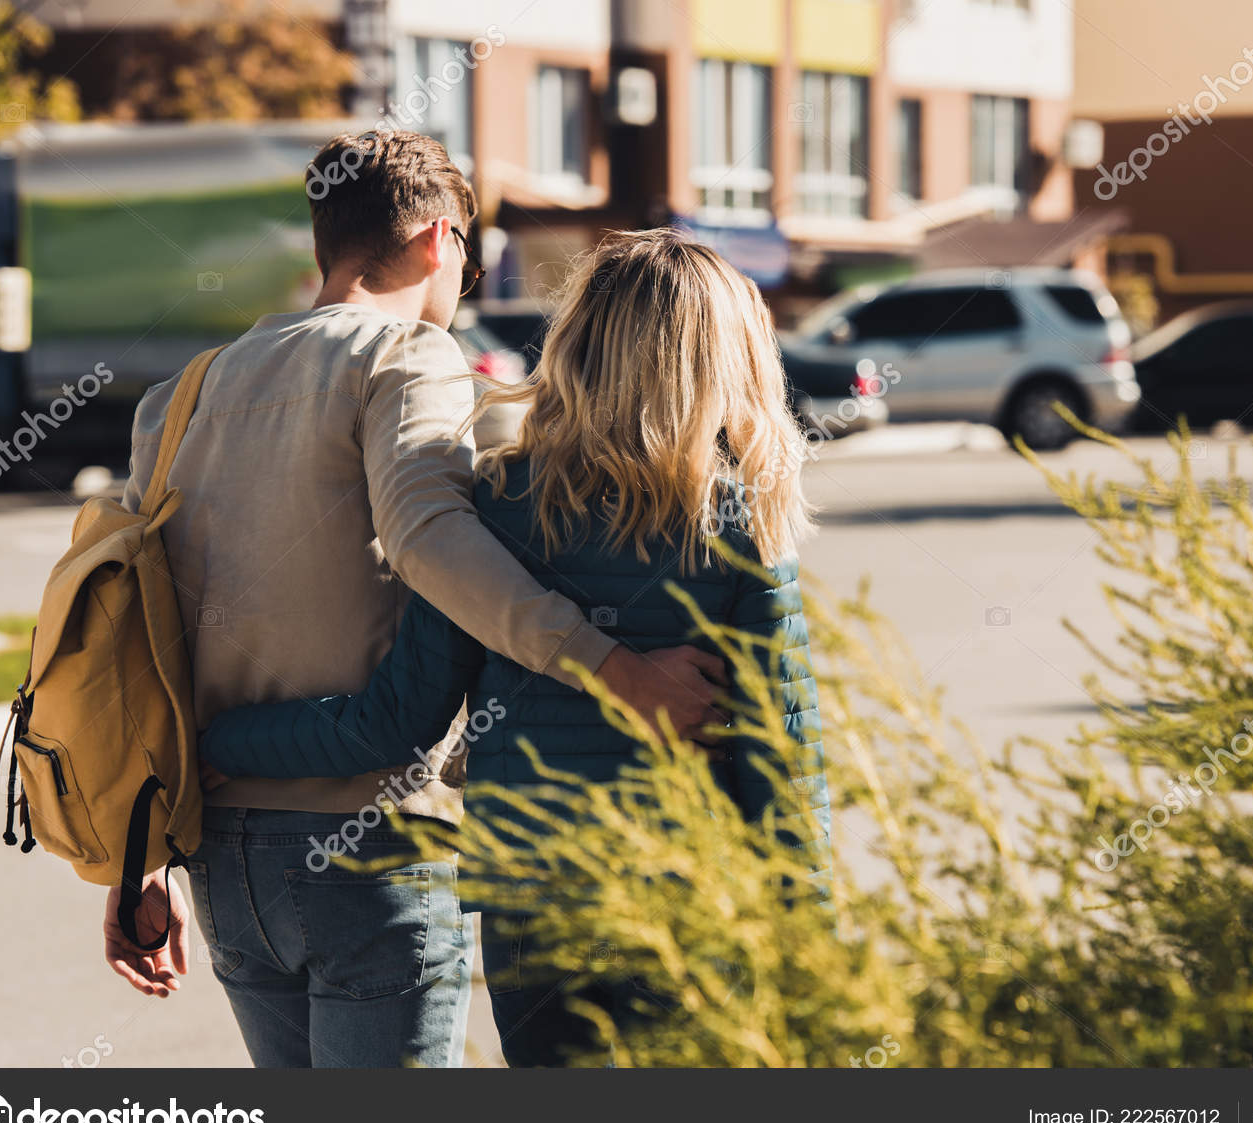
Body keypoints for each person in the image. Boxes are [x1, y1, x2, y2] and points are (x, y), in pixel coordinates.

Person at [106, 133, 727, 1069]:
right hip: (368, 847)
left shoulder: (182, 395)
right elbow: (431, 539)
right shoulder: (408, 356)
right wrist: (619, 672)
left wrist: (136, 852)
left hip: (221, 852)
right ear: (441, 239)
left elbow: (138, 638)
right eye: (469, 259)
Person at [199, 229, 831, 1067]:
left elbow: (391, 724)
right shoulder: (739, 524)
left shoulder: (500, 506)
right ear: (730, 362)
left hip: (532, 910)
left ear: (578, 348)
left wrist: (215, 740)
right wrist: (818, 955)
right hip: (690, 902)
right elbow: (783, 769)